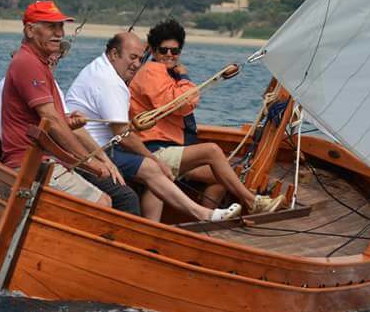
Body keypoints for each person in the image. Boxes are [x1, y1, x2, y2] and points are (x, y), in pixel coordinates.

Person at [65, 31, 242, 223]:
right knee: (141, 181)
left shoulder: (101, 68)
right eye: (132, 57)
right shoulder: (113, 82)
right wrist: (155, 161)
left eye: (140, 58)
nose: (136, 64)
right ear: (114, 54)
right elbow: (123, 133)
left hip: (103, 145)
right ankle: (208, 212)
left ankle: (203, 214)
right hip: (94, 149)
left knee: (153, 169)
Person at [0, 1, 140, 215]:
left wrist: (70, 124)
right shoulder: (27, 62)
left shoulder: (38, 63)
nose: (59, 33)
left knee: (116, 196)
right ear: (30, 30)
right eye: (51, 27)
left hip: (47, 160)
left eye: (61, 27)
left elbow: (54, 119)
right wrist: (88, 161)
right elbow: (51, 121)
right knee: (104, 203)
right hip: (30, 163)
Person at [129, 19, 285, 215]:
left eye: (175, 51)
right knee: (212, 151)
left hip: (171, 149)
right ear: (152, 51)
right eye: (163, 50)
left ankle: (207, 218)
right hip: (154, 149)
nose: (169, 55)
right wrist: (185, 77)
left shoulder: (168, 74)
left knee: (222, 175)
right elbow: (180, 104)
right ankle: (252, 202)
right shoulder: (152, 71)